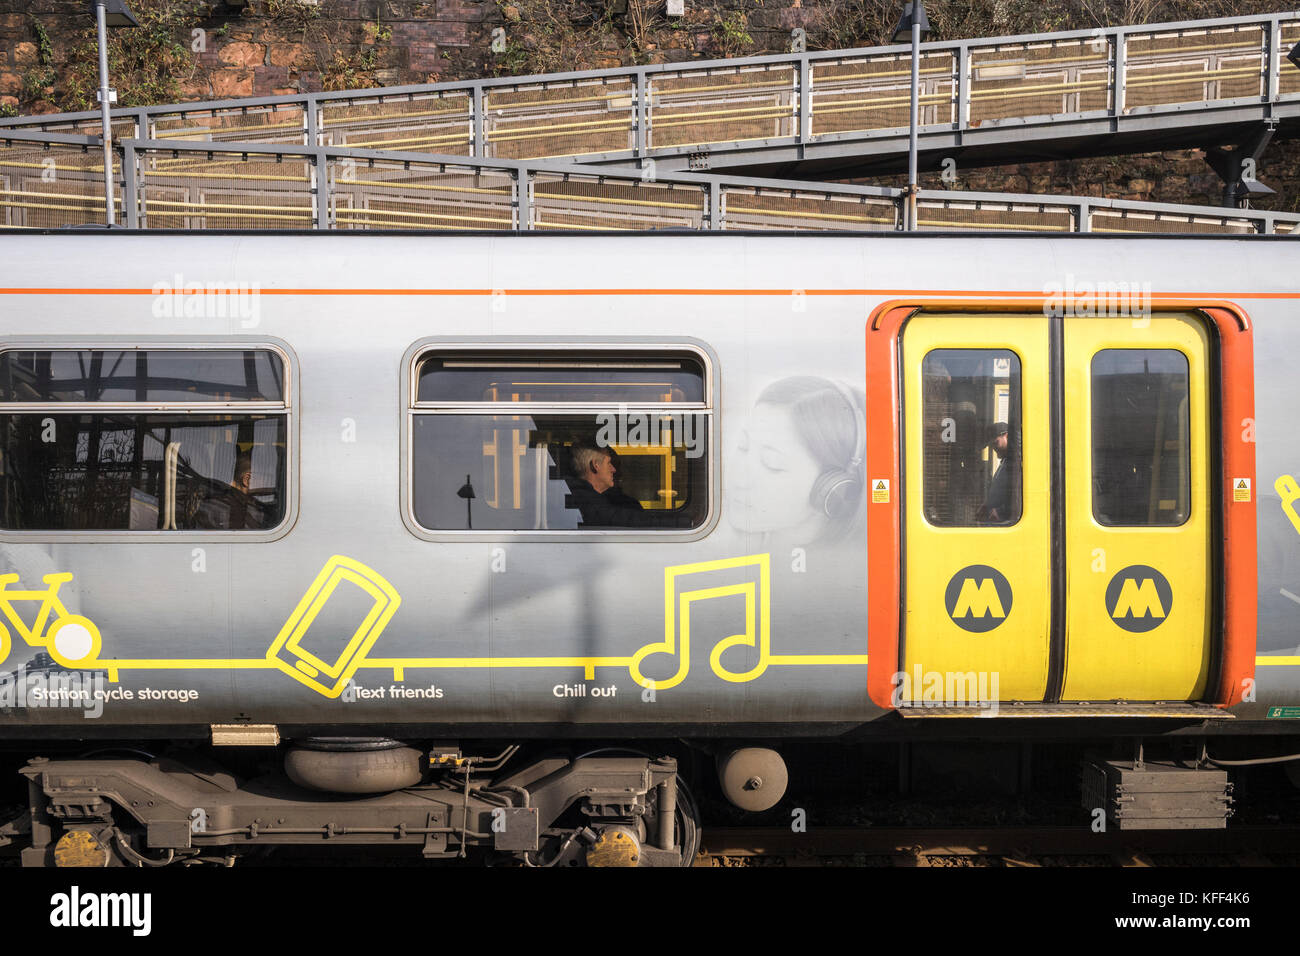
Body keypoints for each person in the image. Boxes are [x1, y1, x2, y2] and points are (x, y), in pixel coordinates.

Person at [566, 444, 686, 528]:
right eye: (609, 463)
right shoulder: (585, 500)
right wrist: (681, 522)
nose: (614, 470)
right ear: (595, 465)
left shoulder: (591, 496)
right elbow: (622, 518)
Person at [979, 422, 1017, 524]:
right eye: (991, 445)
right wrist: (987, 505)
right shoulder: (1005, 462)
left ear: (1007, 436)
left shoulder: (1017, 463)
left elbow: (1019, 496)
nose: (994, 448)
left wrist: (1001, 511)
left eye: (995, 443)